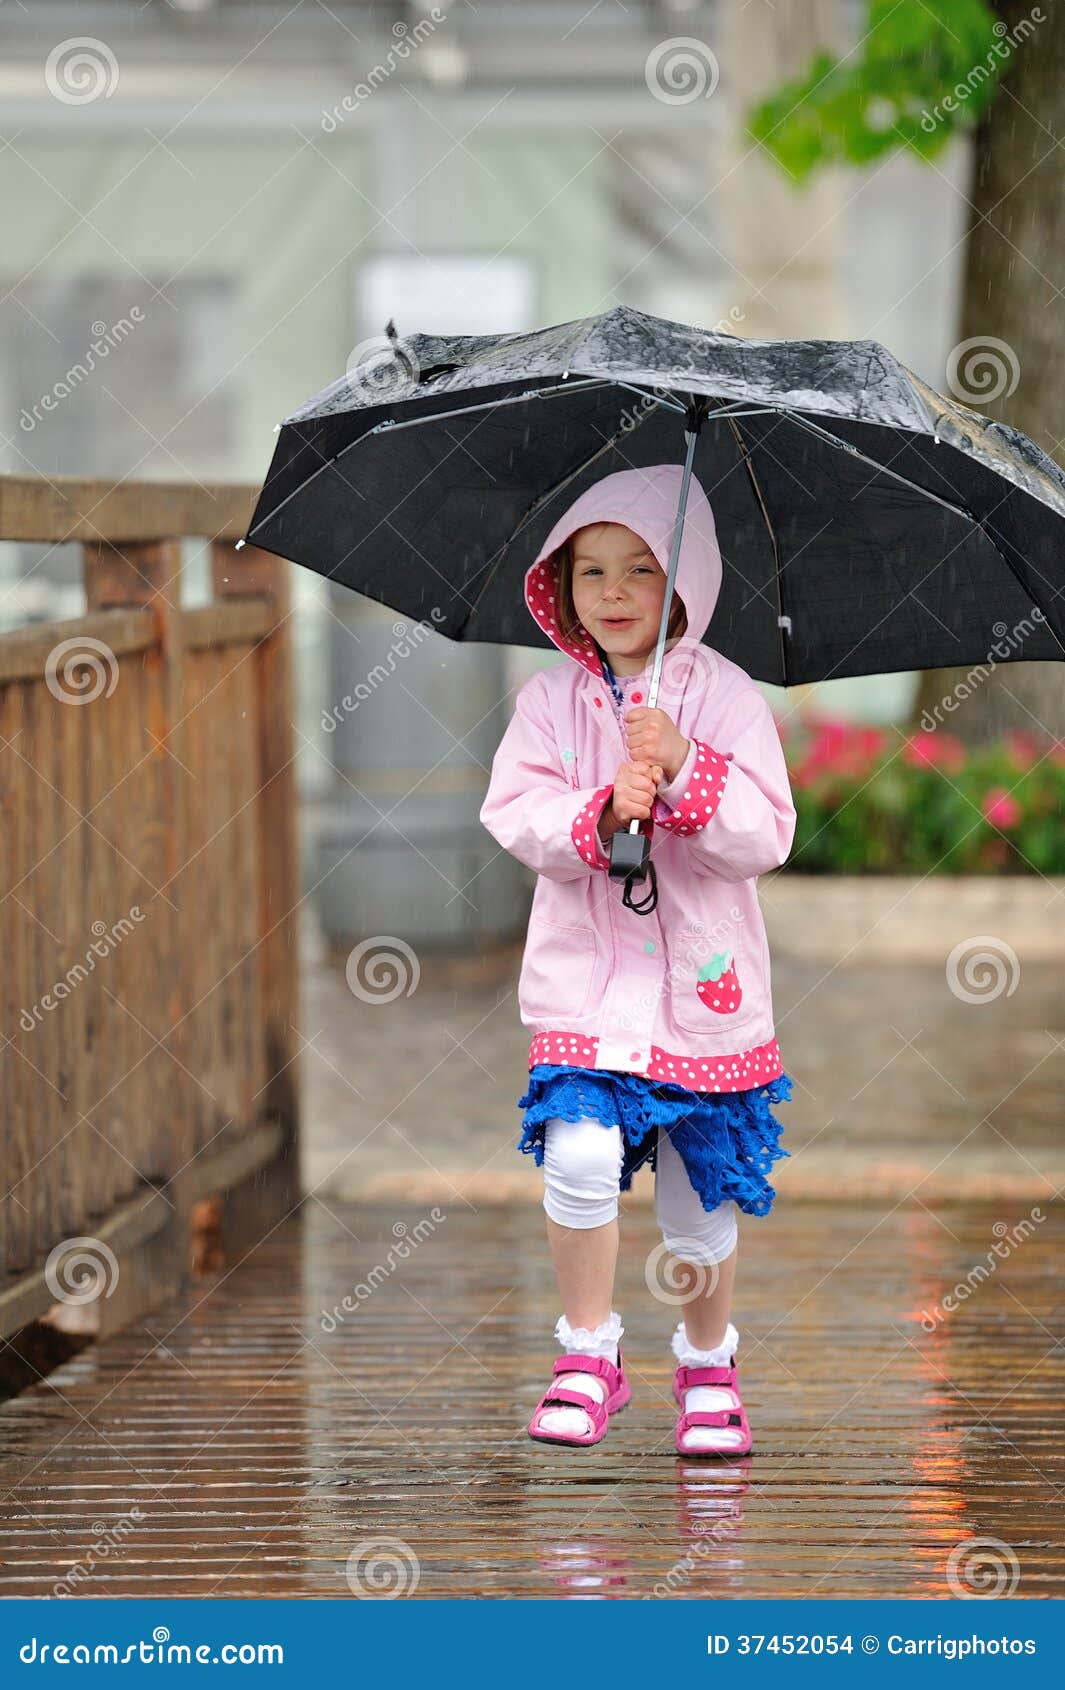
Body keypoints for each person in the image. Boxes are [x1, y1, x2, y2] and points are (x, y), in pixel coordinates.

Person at [478, 464, 796, 1456]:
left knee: (696, 1199)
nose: (611, 593)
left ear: (684, 581)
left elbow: (765, 835)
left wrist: (687, 765)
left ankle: (706, 1362)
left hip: (704, 994)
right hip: (586, 985)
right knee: (577, 1155)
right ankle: (587, 1353)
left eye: (641, 570)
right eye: (589, 572)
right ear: (559, 586)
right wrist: (598, 809)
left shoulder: (727, 697)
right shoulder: (548, 702)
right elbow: (515, 814)